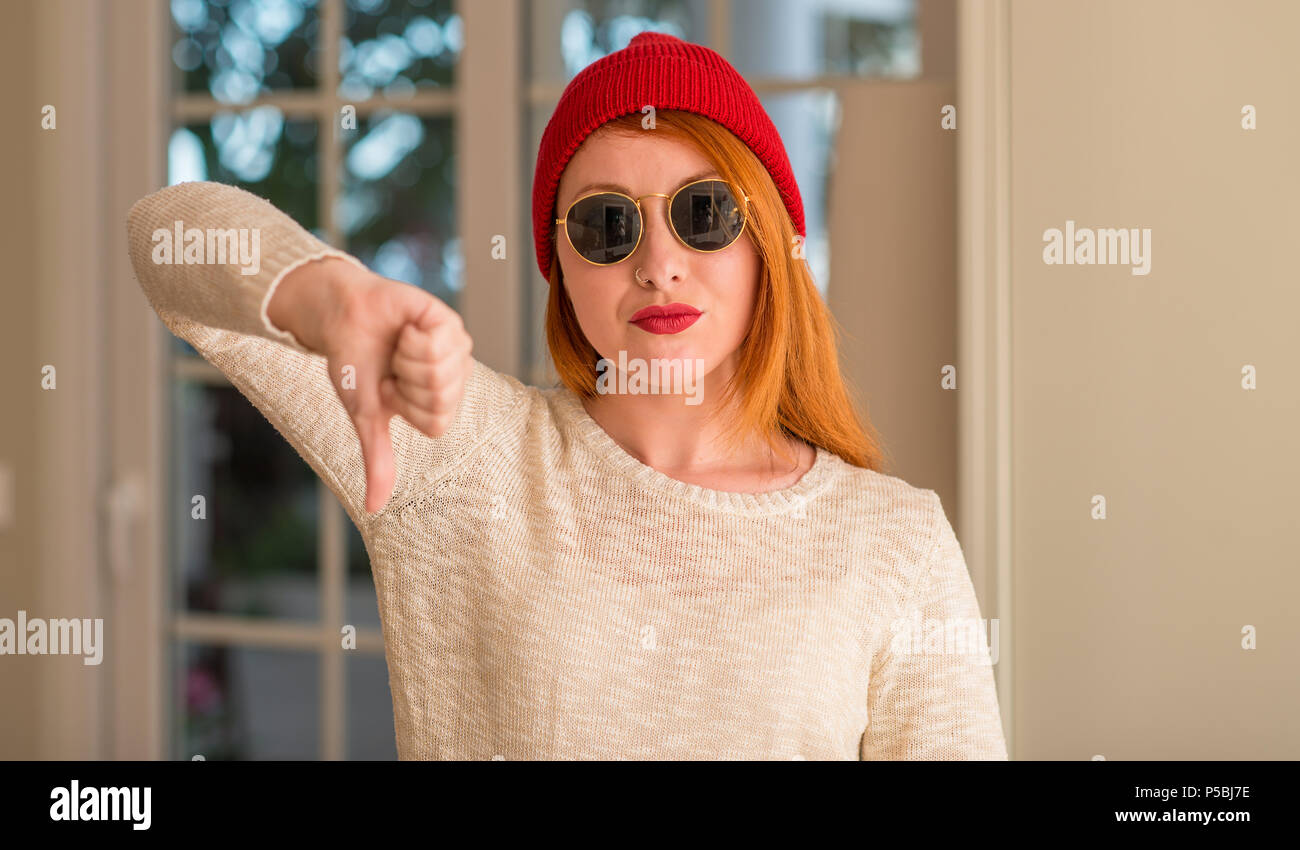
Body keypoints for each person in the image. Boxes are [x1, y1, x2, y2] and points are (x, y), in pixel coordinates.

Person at [126, 31, 1007, 760]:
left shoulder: (897, 541)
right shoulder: (465, 451)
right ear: (562, 274)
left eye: (704, 213)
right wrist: (333, 297)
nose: (658, 262)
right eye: (606, 223)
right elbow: (164, 237)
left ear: (769, 242)